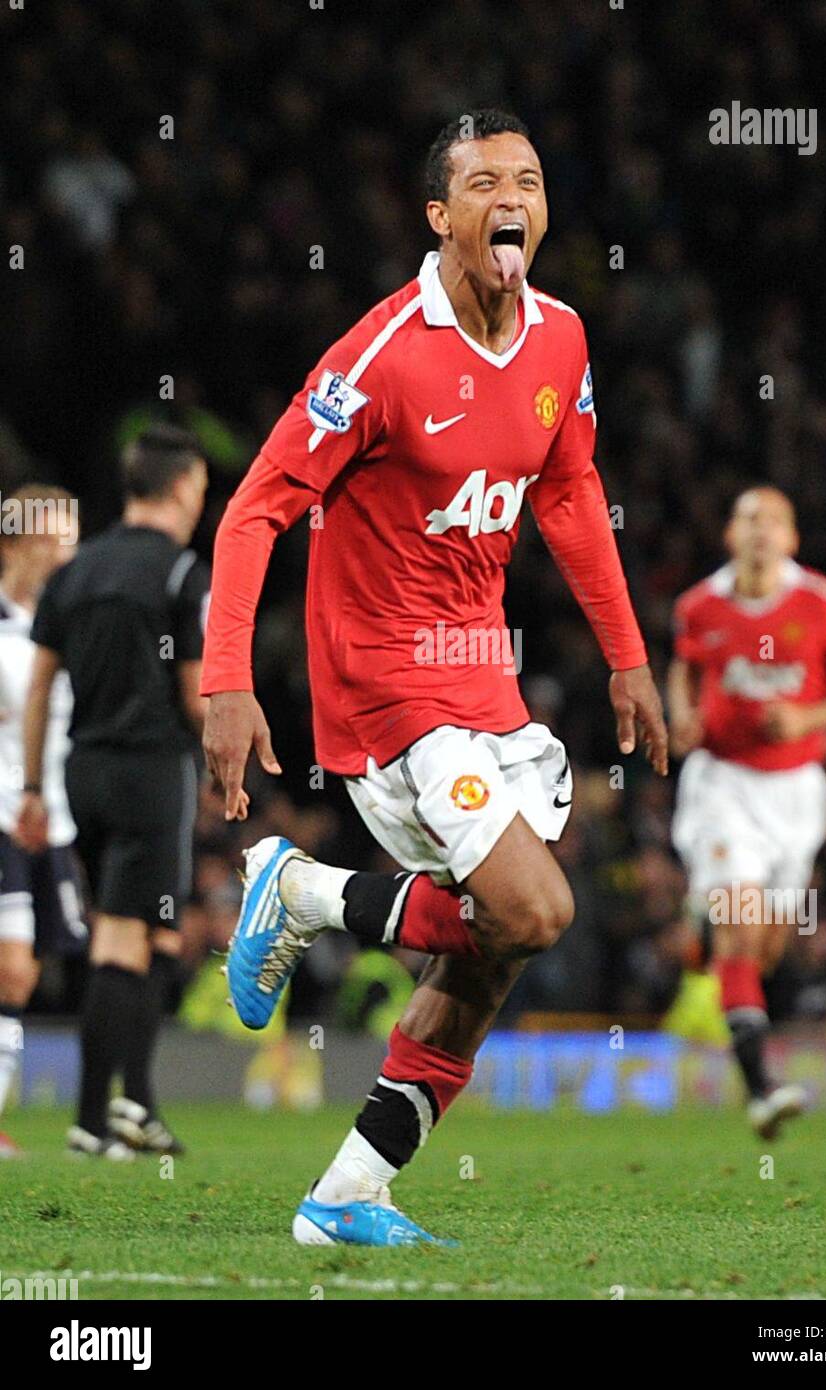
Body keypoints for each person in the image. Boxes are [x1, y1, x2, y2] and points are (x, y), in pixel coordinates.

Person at [200, 109, 668, 1246]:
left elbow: (565, 492)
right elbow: (259, 504)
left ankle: (348, 1193)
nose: (512, 196)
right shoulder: (380, 357)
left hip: (483, 678)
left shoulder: (560, 339)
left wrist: (627, 657)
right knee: (533, 908)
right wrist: (225, 678)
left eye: (530, 178)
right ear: (441, 217)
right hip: (382, 682)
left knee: (498, 942)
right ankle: (299, 891)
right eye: (484, 182)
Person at [668, 486, 826, 1137]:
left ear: (791, 539)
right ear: (729, 535)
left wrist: (806, 717)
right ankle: (761, 1086)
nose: (760, 530)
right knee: (739, 929)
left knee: (761, 948)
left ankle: (702, 921)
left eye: (772, 521)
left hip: (796, 793)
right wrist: (683, 715)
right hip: (723, 786)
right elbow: (683, 668)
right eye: (747, 519)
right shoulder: (699, 606)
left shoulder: (823, 604)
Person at [17, 426, 209, 1157]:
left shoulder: (76, 571)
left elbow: (40, 688)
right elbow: (195, 696)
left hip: (80, 769)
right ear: (182, 488)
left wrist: (35, 785)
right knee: (123, 940)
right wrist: (227, 763)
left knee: (155, 936)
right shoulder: (180, 572)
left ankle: (138, 1104)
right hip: (149, 770)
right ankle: (94, 1120)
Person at [0, 484, 84, 1155]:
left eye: (72, 540)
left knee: (29, 971)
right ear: (15, 543)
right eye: (54, 539)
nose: (67, 552)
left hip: (48, 822)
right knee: (14, 969)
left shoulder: (68, 627)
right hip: (2, 814)